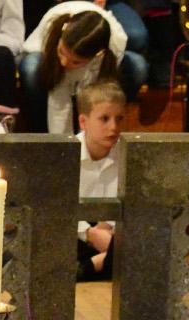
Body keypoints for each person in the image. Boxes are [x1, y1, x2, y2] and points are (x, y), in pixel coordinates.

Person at [19, 2, 141, 136]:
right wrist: (62, 143)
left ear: (98, 55)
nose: (64, 62)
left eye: (75, 61)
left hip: (98, 68)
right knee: (31, 66)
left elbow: (92, 98)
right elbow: (59, 98)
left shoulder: (114, 45)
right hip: (47, 61)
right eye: (61, 52)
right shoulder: (54, 23)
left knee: (138, 65)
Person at [74, 80, 122, 282]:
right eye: (104, 119)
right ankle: (99, 263)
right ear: (83, 122)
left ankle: (93, 265)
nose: (114, 127)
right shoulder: (67, 153)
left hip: (112, 234)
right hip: (78, 232)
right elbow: (56, 207)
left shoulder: (128, 153)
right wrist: (90, 233)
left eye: (119, 119)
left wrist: (108, 226)